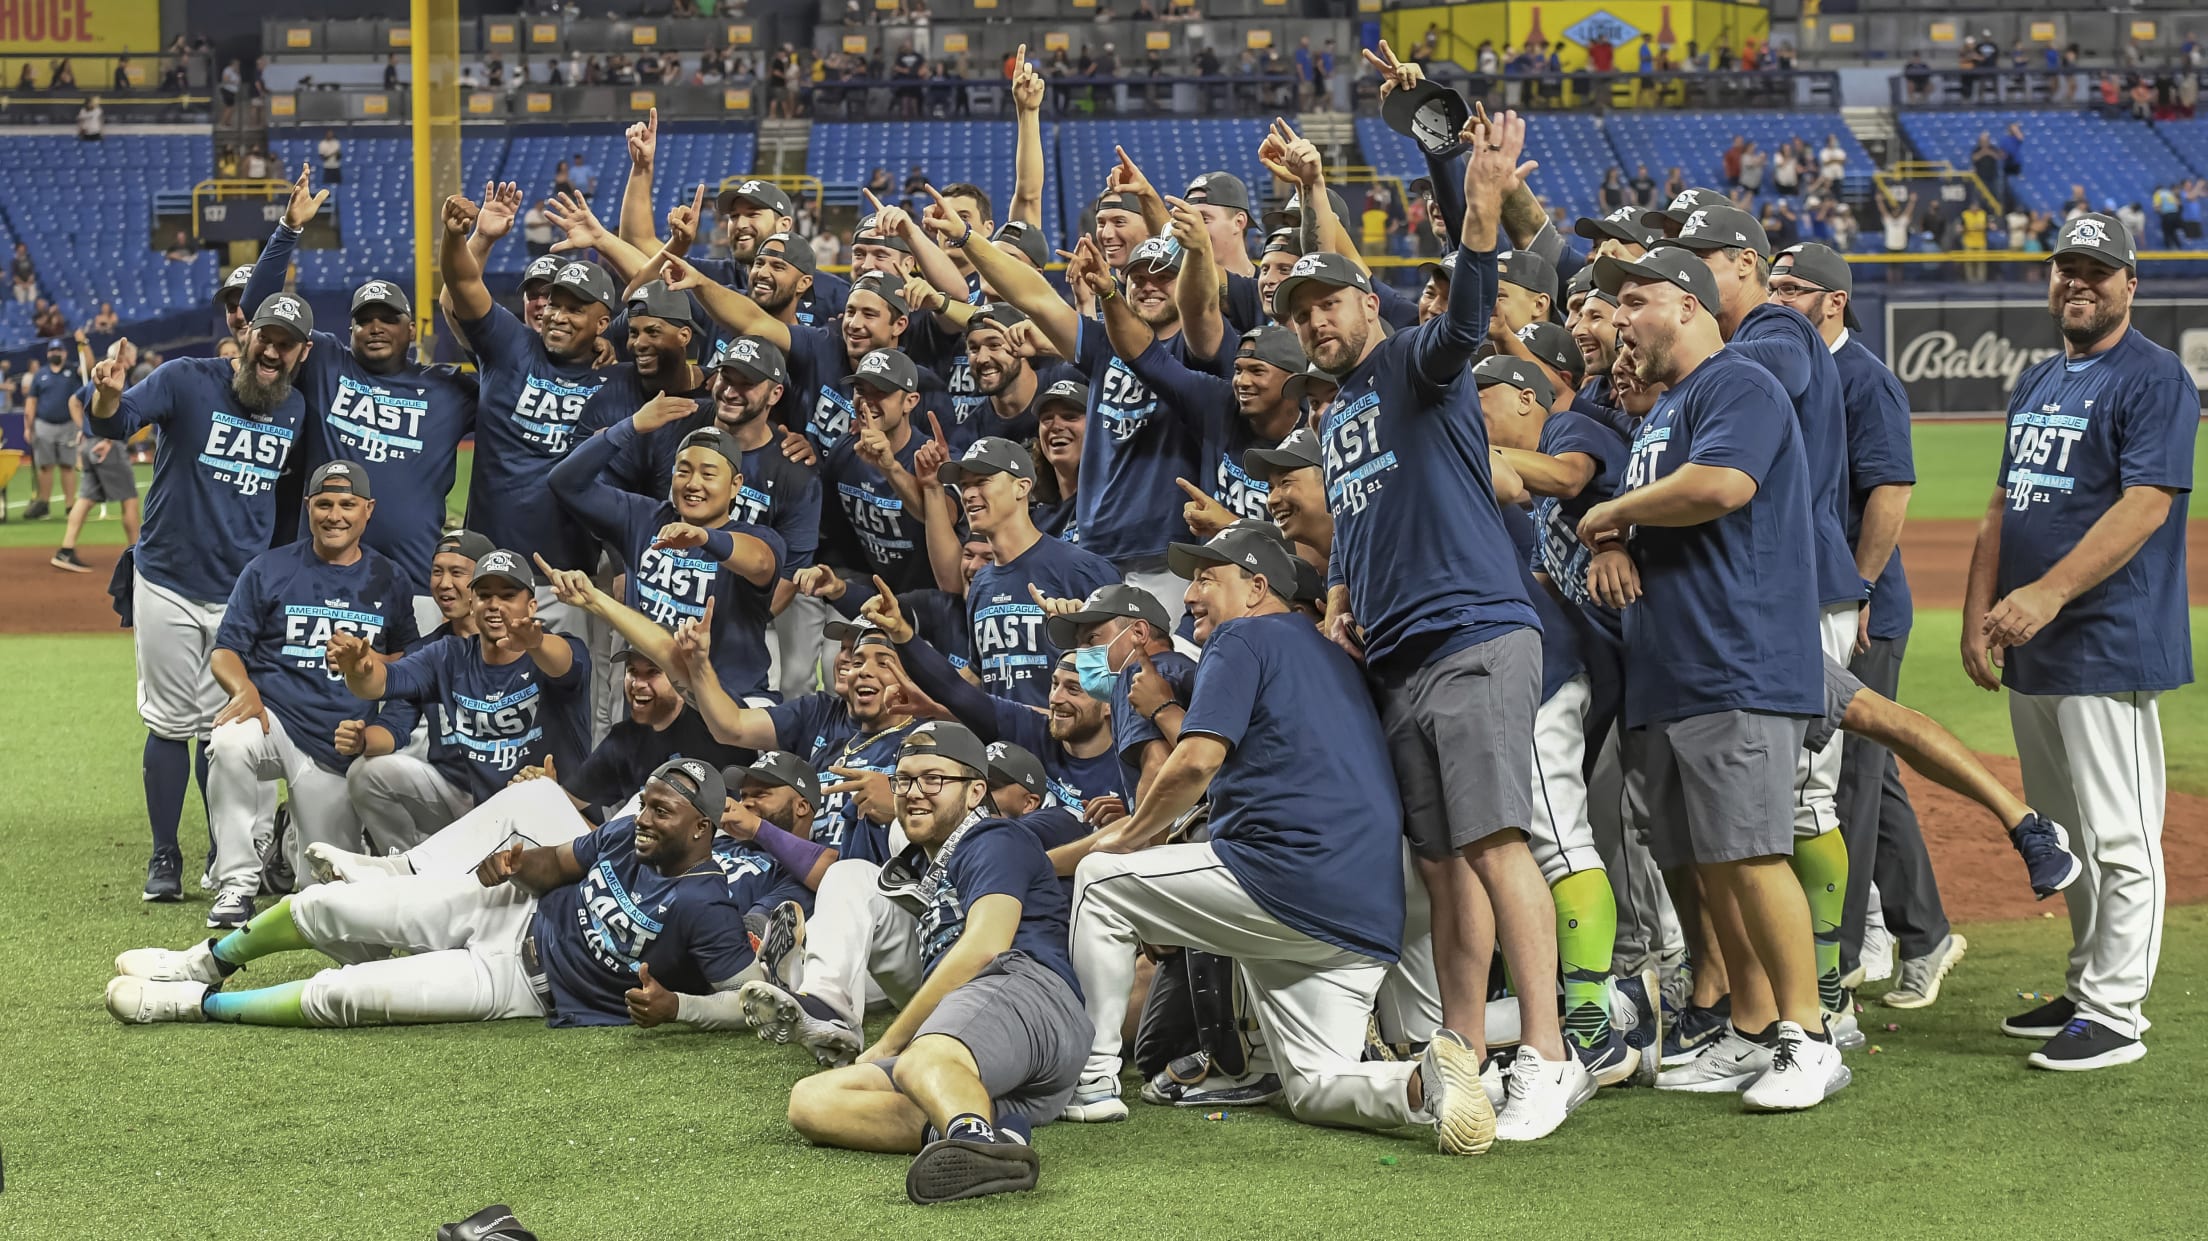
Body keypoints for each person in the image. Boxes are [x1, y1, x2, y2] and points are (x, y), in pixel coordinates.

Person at [1281, 109, 1589, 1136]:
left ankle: (1546, 1051)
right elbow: (1361, 527)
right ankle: (1462, 1047)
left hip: (1472, 634)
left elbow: (1465, 316)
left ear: (1369, 302)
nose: (1317, 319)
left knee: (1499, 842)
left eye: (1332, 302)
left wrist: (1478, 203)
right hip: (1402, 656)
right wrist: (1335, 597)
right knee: (1443, 860)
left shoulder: (1417, 363)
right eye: (1302, 310)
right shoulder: (1335, 417)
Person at [1586, 246, 1843, 1110]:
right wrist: (1618, 538)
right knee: (1709, 863)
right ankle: (1752, 1026)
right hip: (1677, 663)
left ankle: (1810, 1037)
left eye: (1637, 300)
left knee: (1753, 852)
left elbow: (1724, 484)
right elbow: (1663, 499)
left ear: (1692, 304)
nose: (1621, 319)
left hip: (1739, 657)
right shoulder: (1664, 410)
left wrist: (1613, 513)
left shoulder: (1737, 384)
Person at [1965, 214, 2193, 1071]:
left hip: (2108, 637)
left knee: (2122, 834)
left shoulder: (2154, 376)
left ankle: (2118, 1013)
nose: (2079, 283)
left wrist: (2051, 591)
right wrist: (1976, 610)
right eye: (2067, 268)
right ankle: (2087, 981)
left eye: (2098, 270)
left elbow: (2147, 504)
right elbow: (2001, 502)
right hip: (2035, 641)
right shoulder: (2038, 378)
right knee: (2066, 830)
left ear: (2130, 283)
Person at [105, 760, 761, 1034]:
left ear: (701, 827)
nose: (645, 817)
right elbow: (557, 863)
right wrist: (517, 863)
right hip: (508, 909)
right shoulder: (626, 833)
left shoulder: (709, 907)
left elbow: (753, 1002)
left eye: (663, 812)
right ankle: (204, 959)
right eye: (646, 804)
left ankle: (196, 1004)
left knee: (345, 993)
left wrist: (679, 1008)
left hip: (522, 984)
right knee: (321, 905)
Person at [774, 722, 1090, 1205]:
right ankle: (991, 1135)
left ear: (975, 791)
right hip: (985, 1041)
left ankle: (973, 1140)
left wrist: (890, 1042)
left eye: (933, 779)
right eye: (903, 780)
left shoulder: (995, 837)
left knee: (919, 1058)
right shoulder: (931, 863)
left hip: (1025, 990)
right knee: (813, 1102)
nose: (913, 793)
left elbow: (987, 945)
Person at [1768, 243, 1962, 1005]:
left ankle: (1839, 955)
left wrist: (1863, 587)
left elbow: (1889, 493)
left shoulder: (1865, 378)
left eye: (1794, 287)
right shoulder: (1796, 366)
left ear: (1835, 300)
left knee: (1848, 778)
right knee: (1868, 775)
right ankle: (1923, 932)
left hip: (1863, 607)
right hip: (1828, 599)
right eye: (1773, 283)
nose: (1779, 295)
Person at [85, 300, 315, 905]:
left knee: (225, 729)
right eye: (266, 336)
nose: (272, 350)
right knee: (167, 724)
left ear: (302, 354)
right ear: (245, 334)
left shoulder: (294, 410)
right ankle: (165, 855)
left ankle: (225, 851)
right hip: (167, 582)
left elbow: (288, 505)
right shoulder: (187, 379)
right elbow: (114, 422)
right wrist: (108, 395)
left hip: (241, 596)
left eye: (287, 343)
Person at [244, 166, 480, 596]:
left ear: (412, 330)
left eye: (389, 320)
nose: (375, 327)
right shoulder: (325, 362)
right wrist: (288, 228)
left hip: (413, 586)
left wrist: (474, 243)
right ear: (349, 330)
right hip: (319, 578)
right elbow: (258, 308)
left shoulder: (449, 389)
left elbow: (509, 379)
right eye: (364, 320)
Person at [201, 463, 419, 923]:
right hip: (272, 719)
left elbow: (412, 663)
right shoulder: (269, 569)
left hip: (338, 741)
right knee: (228, 740)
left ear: (367, 510)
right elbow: (226, 651)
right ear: (308, 508)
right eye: (323, 504)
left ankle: (287, 838)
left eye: (346, 504)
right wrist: (244, 690)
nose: (334, 515)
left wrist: (370, 667)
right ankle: (236, 884)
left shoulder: (391, 579)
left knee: (320, 893)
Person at [328, 550, 593, 857]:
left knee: (534, 795)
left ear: (531, 605)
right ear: (472, 603)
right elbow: (383, 682)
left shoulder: (560, 649)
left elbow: (563, 662)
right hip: (486, 818)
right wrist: (358, 670)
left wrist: (535, 643)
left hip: (561, 820)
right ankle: (406, 866)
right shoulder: (448, 655)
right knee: (369, 773)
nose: (495, 605)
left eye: (508, 595)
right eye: (484, 595)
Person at [437, 191, 619, 625]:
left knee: (572, 687)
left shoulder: (618, 371)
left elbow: (658, 302)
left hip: (571, 577)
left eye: (574, 307)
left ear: (603, 322)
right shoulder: (510, 346)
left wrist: (609, 238)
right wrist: (470, 236)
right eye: (550, 301)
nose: (553, 312)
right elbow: (459, 288)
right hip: (491, 571)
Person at [21, 337, 81, 520]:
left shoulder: (72, 371)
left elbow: (89, 366)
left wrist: (83, 343)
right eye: (52, 350)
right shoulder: (40, 374)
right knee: (45, 467)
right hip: (44, 425)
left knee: (67, 466)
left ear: (64, 352)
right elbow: (31, 401)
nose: (55, 353)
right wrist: (27, 427)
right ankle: (44, 504)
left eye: (58, 350)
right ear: (48, 353)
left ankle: (70, 506)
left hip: (67, 425)